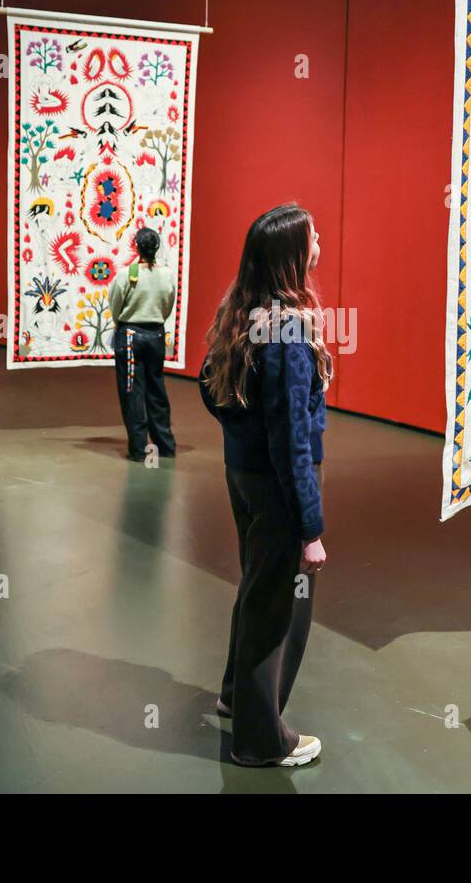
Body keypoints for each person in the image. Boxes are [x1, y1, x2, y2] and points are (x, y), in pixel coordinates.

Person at [200, 203, 330, 768]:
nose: (320, 241)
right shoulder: (290, 330)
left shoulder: (245, 312)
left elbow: (211, 386)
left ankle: (236, 696)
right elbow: (292, 442)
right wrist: (311, 530)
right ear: (292, 257)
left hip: (244, 476)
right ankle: (260, 740)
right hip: (278, 487)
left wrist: (241, 430)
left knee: (257, 591)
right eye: (312, 236)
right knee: (278, 610)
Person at [108, 226, 177, 461]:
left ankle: (139, 449)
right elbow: (168, 305)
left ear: (136, 247)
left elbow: (115, 305)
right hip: (156, 334)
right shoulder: (167, 275)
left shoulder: (127, 275)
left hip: (129, 336)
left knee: (132, 391)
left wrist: (122, 321)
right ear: (157, 247)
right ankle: (165, 445)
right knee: (156, 388)